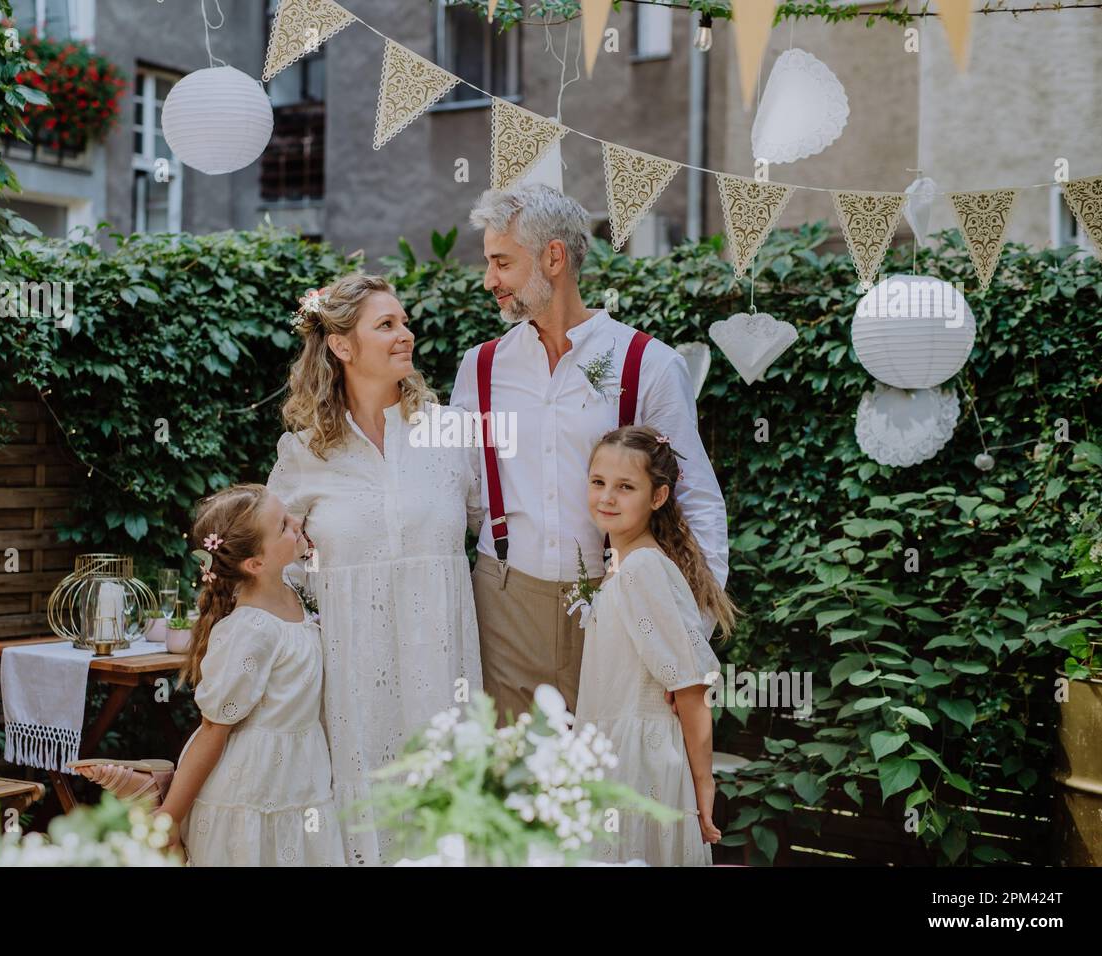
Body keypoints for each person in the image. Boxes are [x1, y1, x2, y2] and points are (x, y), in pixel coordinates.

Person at [451, 183, 728, 722]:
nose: (490, 281)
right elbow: (462, 493)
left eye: (502, 262)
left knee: (610, 777)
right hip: (504, 604)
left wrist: (687, 635)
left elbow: (694, 498)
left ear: (553, 257)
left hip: (619, 601)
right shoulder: (480, 368)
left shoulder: (647, 364)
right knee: (512, 785)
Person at [267, 272, 484, 865]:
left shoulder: (452, 433)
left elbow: (486, 528)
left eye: (404, 321)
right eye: (386, 325)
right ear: (341, 345)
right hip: (352, 677)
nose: (405, 335)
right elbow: (273, 569)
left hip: (445, 669)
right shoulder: (305, 452)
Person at [154, 483, 346, 867]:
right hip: (250, 793)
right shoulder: (250, 630)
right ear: (255, 564)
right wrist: (169, 819)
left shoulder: (292, 590)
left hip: (300, 779)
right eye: (282, 526)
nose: (296, 522)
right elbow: (213, 730)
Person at [574, 425, 738, 866]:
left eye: (625, 487)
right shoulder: (623, 565)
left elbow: (690, 685)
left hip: (639, 769)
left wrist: (703, 783)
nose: (607, 497)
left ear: (658, 497)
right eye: (598, 482)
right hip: (612, 759)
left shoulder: (642, 567)